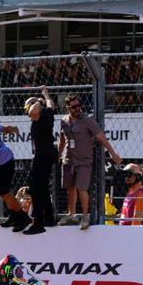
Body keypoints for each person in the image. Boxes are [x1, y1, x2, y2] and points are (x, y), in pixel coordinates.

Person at [57, 94, 122, 230]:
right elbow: (62, 140)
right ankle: (71, 214)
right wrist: (58, 155)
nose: (78, 109)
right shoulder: (63, 121)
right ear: (68, 108)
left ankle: (85, 216)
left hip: (84, 160)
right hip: (68, 158)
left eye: (79, 105)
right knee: (70, 188)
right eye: (74, 107)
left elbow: (101, 138)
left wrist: (113, 153)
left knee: (81, 188)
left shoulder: (87, 120)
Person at [22, 86, 57, 235]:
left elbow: (33, 111)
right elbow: (51, 105)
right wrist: (46, 95)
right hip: (47, 154)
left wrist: (39, 101)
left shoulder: (39, 114)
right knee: (42, 187)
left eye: (27, 107)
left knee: (35, 188)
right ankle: (48, 217)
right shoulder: (48, 113)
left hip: (42, 155)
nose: (27, 111)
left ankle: (38, 222)